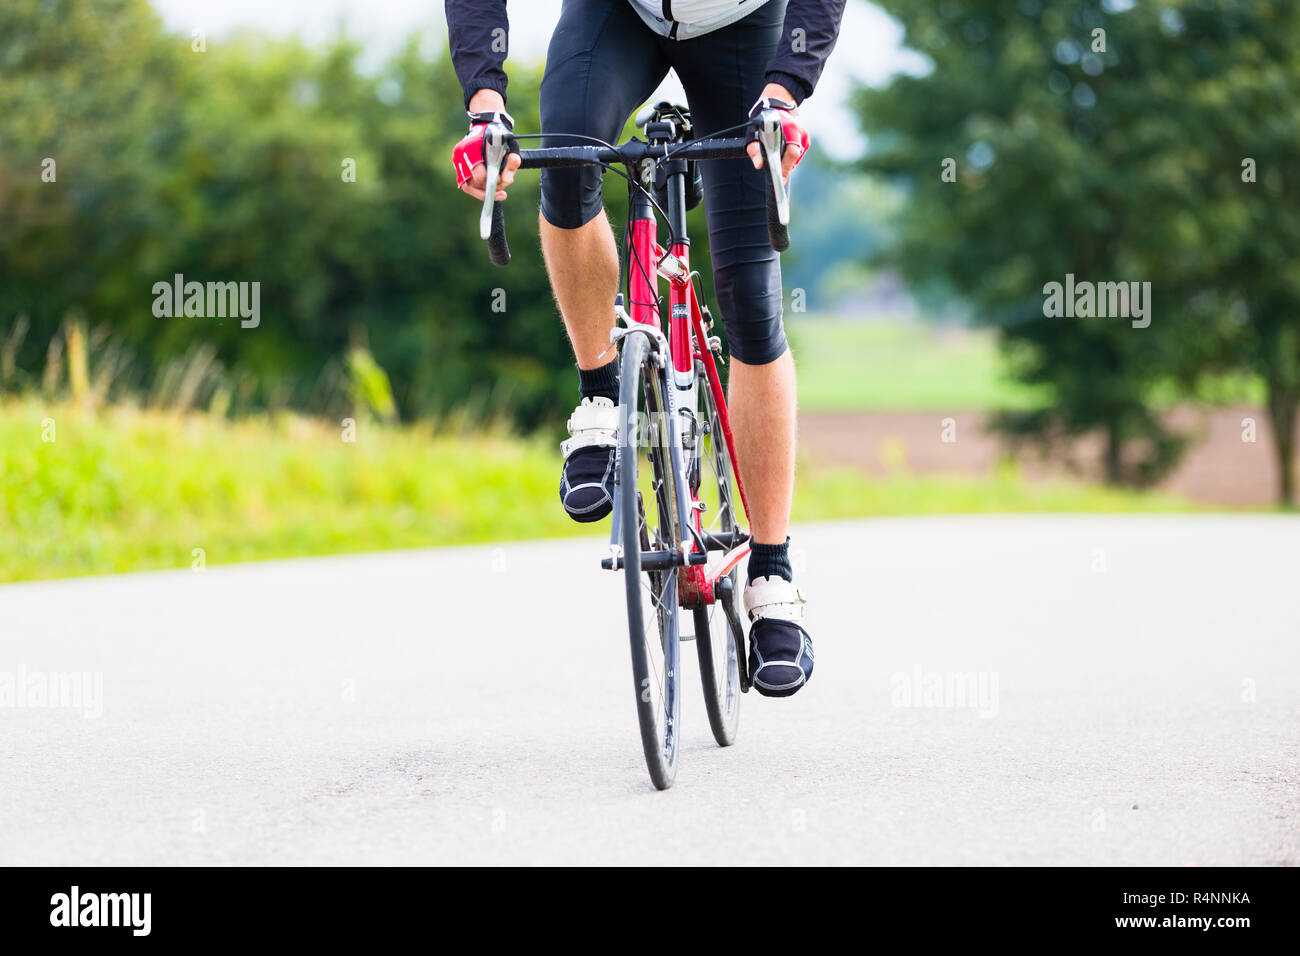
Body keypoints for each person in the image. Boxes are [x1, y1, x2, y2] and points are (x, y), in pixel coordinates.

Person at [445, 0, 845, 697]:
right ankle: (602, 394)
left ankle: (772, 573)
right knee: (566, 168)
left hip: (743, 26)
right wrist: (485, 104)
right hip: (618, 15)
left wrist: (786, 89)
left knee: (749, 294)